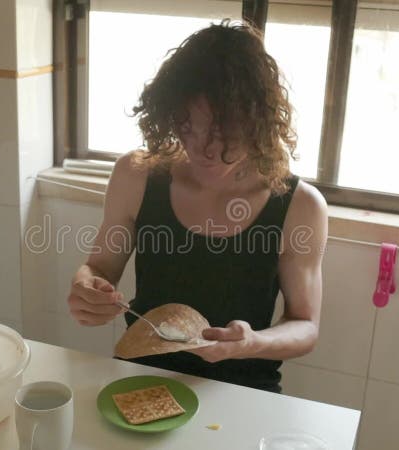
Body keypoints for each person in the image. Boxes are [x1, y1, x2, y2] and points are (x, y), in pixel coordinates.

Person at [67, 20, 328, 393]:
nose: (201, 150)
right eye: (187, 127)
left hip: (243, 390)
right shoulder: (137, 175)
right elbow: (99, 267)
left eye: (223, 134)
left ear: (258, 126)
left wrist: (253, 342)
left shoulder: (299, 205)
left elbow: (305, 326)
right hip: (141, 378)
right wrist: (86, 287)